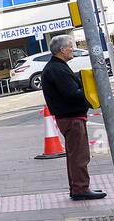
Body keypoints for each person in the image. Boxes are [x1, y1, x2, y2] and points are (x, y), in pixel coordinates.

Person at [41, 34, 106, 201]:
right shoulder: (57, 69)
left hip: (68, 117)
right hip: (72, 118)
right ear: (62, 50)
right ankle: (80, 189)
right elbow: (72, 93)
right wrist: (89, 92)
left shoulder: (56, 67)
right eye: (71, 46)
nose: (72, 49)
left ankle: (78, 188)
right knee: (79, 155)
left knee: (75, 155)